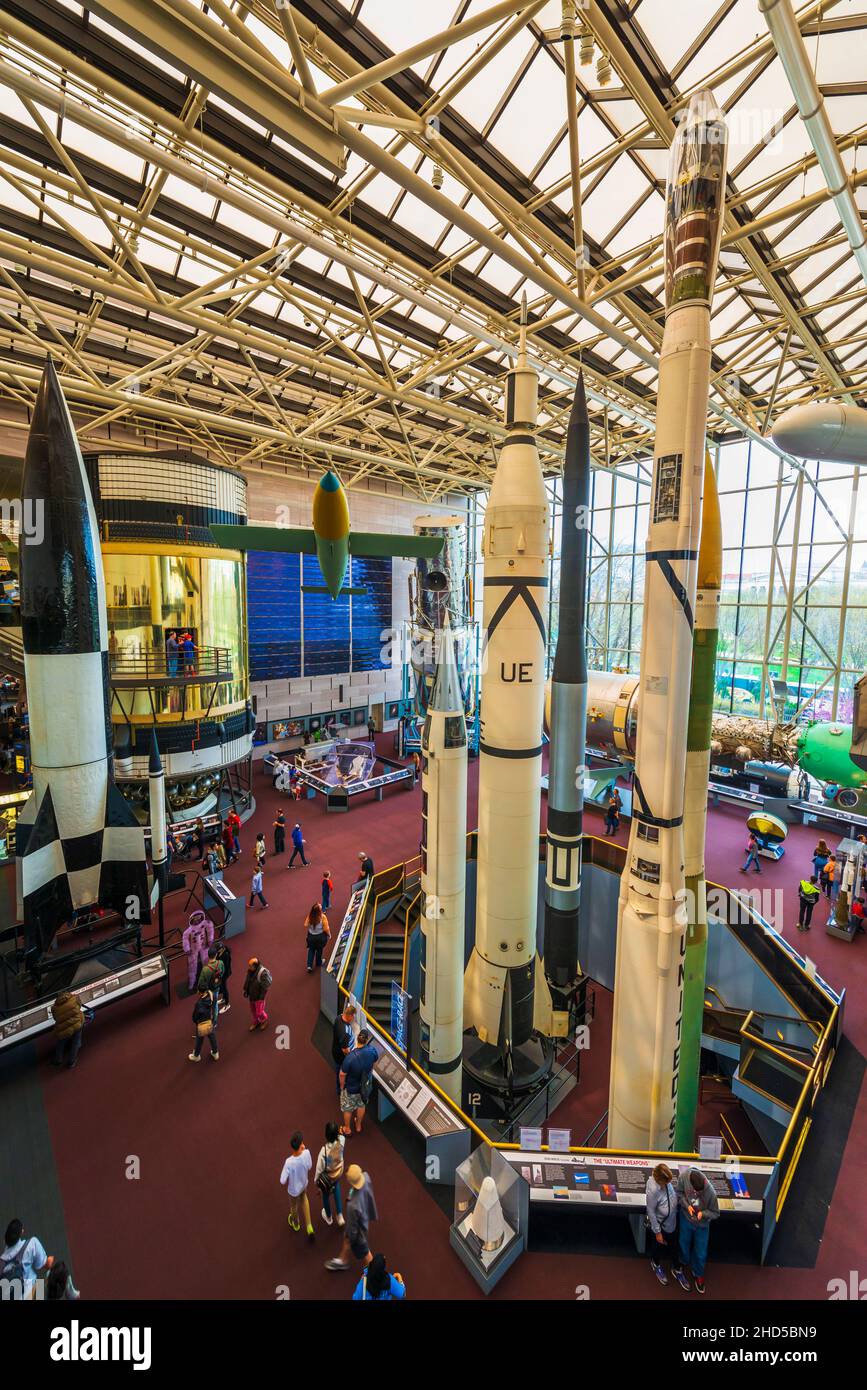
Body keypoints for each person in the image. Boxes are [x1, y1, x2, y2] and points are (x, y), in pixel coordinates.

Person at [671, 1168, 719, 1294]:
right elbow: (679, 1193)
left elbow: (715, 1213)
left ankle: (698, 1273)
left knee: (701, 1252)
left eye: (699, 1192)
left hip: (702, 1226)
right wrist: (687, 1206)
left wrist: (703, 1214)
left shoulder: (711, 1193)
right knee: (683, 1243)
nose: (696, 1194)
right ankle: (682, 1262)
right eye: (695, 1191)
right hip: (686, 1219)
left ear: (704, 1182)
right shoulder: (684, 1177)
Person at [326, 1166, 377, 1272]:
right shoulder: (366, 1177)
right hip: (365, 1214)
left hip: (358, 1228)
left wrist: (352, 1238)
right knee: (347, 1238)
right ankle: (343, 1260)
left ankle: (376, 1275)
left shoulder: (352, 1205)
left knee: (364, 1250)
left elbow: (352, 1229)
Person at [339, 1027, 378, 1136]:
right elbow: (375, 1060)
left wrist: (342, 1086)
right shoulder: (372, 1051)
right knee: (361, 1105)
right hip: (364, 1087)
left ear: (357, 1039)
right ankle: (358, 1125)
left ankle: (347, 1128)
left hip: (351, 1087)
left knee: (348, 1108)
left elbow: (342, 1074)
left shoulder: (350, 1057)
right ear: (366, 1040)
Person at [1, 1219, 52, 1299]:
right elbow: (46, 1265)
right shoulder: (32, 1244)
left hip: (9, 1295)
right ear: (21, 1232)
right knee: (42, 1281)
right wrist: (50, 1259)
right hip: (28, 1293)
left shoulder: (1, 1261)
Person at [645, 1163, 678, 1286]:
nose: (668, 1184)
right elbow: (651, 1212)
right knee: (657, 1248)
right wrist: (657, 1232)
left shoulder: (667, 1183)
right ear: (660, 1181)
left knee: (674, 1246)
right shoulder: (653, 1190)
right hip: (660, 1225)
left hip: (672, 1223)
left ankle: (676, 1268)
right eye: (666, 1182)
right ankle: (656, 1263)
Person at [280, 1132, 315, 1244]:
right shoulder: (306, 1153)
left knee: (294, 1207)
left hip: (293, 1190)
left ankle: (296, 1224)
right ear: (301, 1145)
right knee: (304, 1199)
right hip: (304, 1184)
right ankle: (309, 1226)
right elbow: (309, 1166)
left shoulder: (289, 1162)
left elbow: (282, 1180)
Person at [315, 1121, 346, 1228]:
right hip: (338, 1173)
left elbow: (319, 1169)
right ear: (337, 1134)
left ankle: (328, 1217)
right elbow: (341, 1136)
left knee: (326, 1196)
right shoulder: (341, 1141)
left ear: (326, 1135)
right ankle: (340, 1215)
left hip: (328, 1177)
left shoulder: (323, 1151)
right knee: (337, 1189)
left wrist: (317, 1183)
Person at [51, 989, 84, 1070]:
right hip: (76, 1024)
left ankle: (58, 1060)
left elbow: (56, 1018)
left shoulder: (54, 1007)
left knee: (60, 1043)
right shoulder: (75, 998)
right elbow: (79, 1006)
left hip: (64, 1028)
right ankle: (71, 1061)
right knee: (75, 1042)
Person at [332, 1003, 357, 1099]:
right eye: (353, 1016)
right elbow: (345, 1049)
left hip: (335, 1049)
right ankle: (340, 1090)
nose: (353, 1019)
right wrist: (351, 1057)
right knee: (341, 1072)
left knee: (339, 1071)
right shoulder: (345, 1032)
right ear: (349, 1015)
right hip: (341, 1056)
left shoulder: (338, 1018)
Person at [188, 987, 219, 1062]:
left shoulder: (199, 1004)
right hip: (210, 1021)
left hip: (202, 1023)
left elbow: (195, 1016)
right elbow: (214, 1007)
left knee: (199, 1040)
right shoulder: (212, 995)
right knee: (212, 1037)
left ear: (200, 992)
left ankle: (196, 1056)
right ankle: (215, 1053)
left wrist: (196, 1022)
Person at [244, 957, 271, 1031]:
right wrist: (246, 990)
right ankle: (256, 1021)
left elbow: (265, 987)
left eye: (250, 966)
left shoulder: (263, 973)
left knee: (259, 1011)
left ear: (255, 966)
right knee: (253, 1010)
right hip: (252, 995)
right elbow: (247, 981)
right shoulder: (250, 971)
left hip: (259, 997)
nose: (249, 967)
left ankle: (264, 1020)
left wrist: (261, 997)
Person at [305, 902, 330, 972]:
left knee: (311, 950)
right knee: (319, 950)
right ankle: (318, 962)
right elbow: (326, 928)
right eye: (320, 906)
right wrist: (329, 935)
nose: (321, 905)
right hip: (320, 937)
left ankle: (309, 965)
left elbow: (306, 924)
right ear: (319, 911)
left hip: (311, 936)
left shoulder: (310, 916)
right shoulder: (323, 917)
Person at [214, 938, 232, 1013]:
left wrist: (220, 975)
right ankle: (224, 999)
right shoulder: (219, 953)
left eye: (217, 950)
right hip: (220, 973)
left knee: (224, 988)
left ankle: (227, 1004)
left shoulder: (226, 955)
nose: (216, 951)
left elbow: (226, 967)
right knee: (222, 987)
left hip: (224, 974)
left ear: (222, 949)